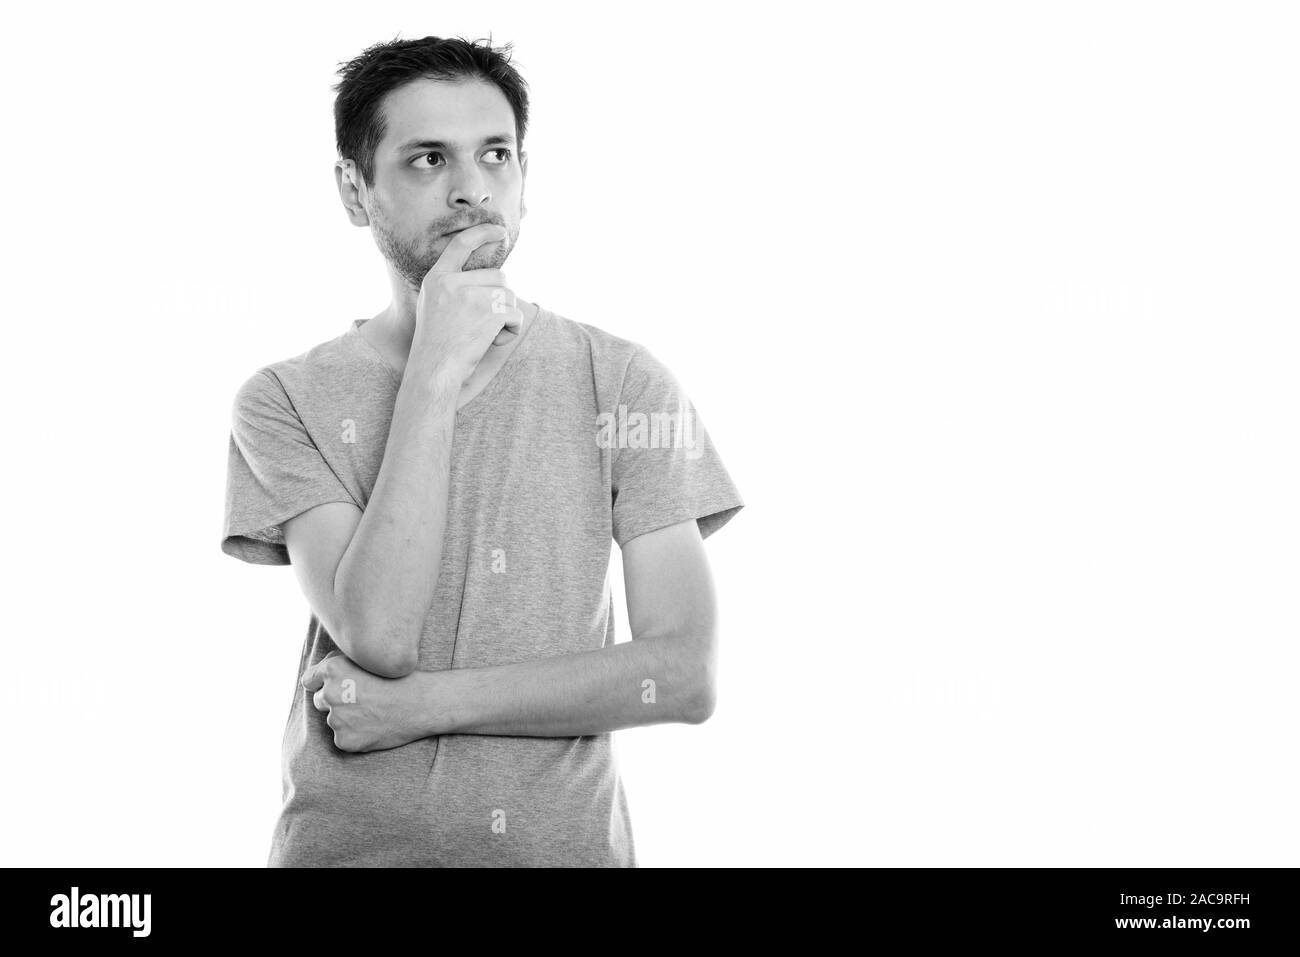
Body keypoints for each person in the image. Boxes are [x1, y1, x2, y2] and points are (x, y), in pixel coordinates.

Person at [220, 34, 744, 867]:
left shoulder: (623, 381)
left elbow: (682, 674)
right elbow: (379, 633)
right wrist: (435, 367)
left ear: (524, 177)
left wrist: (423, 705)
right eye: (429, 159)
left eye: (495, 154)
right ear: (355, 190)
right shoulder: (285, 399)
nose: (472, 189)